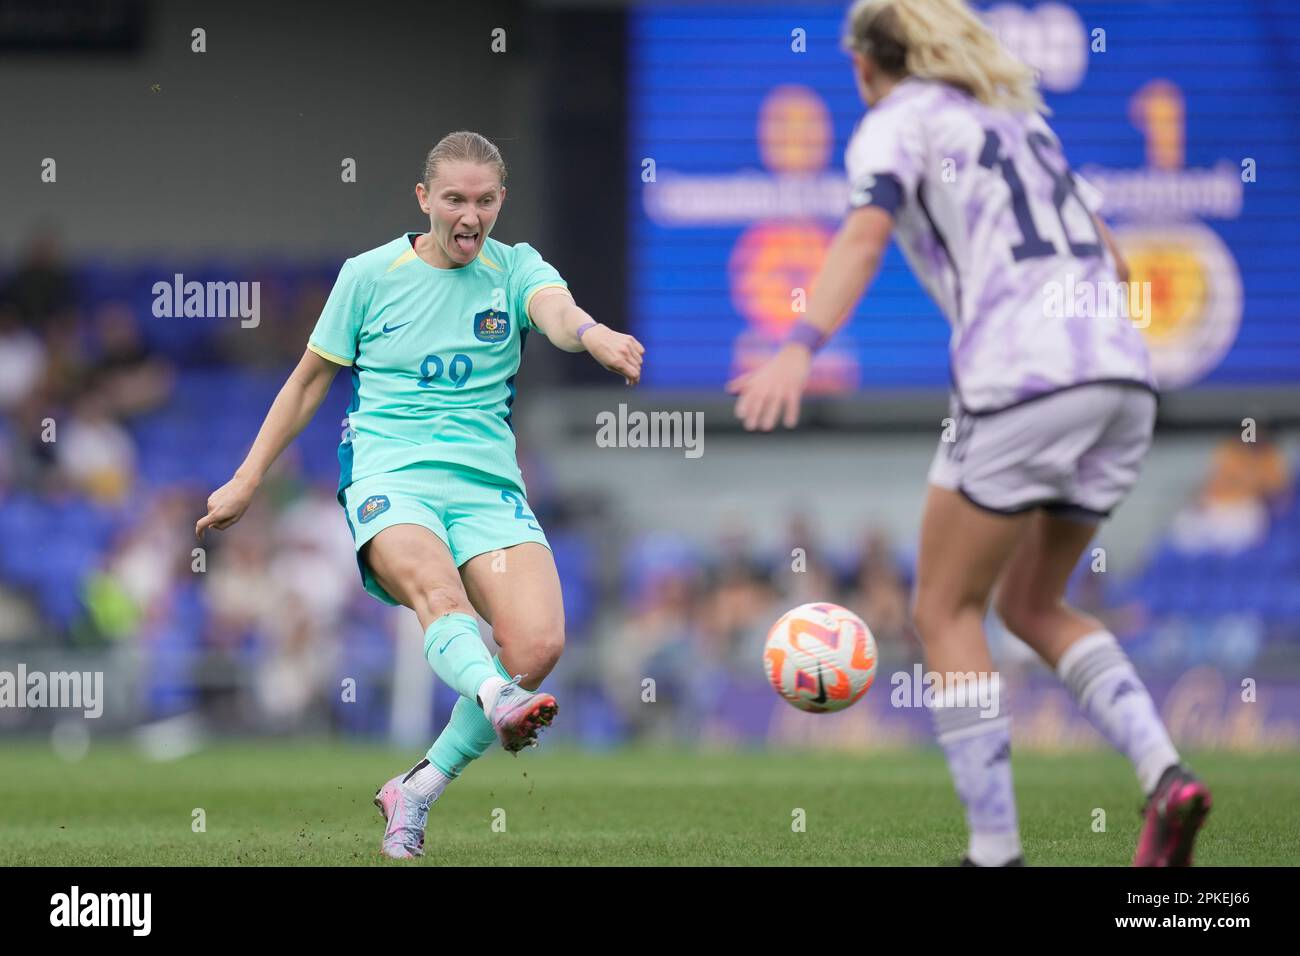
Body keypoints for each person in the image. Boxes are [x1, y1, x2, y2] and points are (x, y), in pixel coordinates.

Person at [728, 0, 1210, 866]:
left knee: (943, 608)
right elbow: (1115, 256)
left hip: (1020, 380)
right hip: (1123, 379)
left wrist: (799, 343)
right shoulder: (1019, 121)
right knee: (1030, 604)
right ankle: (1165, 775)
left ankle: (994, 852)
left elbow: (865, 238)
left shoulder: (893, 125)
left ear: (864, 67)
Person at [197, 131, 645, 859]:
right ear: (424, 200)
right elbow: (309, 380)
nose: (470, 216)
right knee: (442, 596)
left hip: (487, 487)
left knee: (536, 645)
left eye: (485, 201)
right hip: (389, 476)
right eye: (455, 200)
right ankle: (499, 701)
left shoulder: (515, 269)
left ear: (502, 200)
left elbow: (556, 311)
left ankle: (419, 788)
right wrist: (249, 479)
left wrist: (591, 334)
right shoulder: (369, 276)